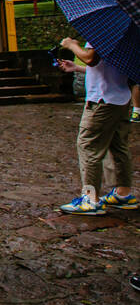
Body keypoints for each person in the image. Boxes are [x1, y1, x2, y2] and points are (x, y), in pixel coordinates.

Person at [53, 37, 134, 214]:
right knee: (119, 146)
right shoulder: (126, 31)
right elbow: (106, 67)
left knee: (88, 145)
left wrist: (71, 45)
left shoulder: (103, 28)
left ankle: (90, 199)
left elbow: (91, 58)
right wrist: (77, 68)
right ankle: (123, 193)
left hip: (102, 100)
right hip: (121, 98)